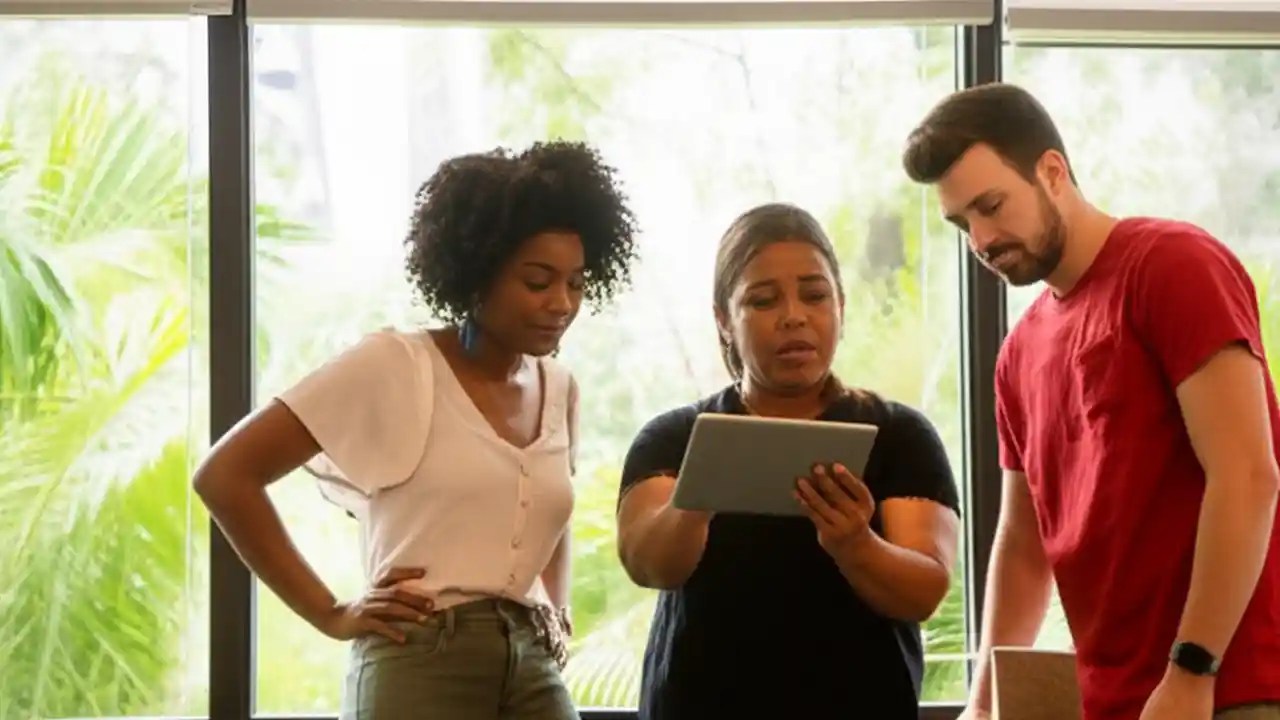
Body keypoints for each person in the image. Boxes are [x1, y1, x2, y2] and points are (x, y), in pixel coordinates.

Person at [193, 140, 639, 720]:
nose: (562, 303)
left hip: (530, 659)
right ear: (476, 278)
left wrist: (554, 606)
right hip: (420, 654)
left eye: (576, 283)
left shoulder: (560, 388)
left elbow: (548, 508)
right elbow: (226, 476)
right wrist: (329, 612)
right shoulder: (396, 365)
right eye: (537, 281)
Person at [902, 82, 1280, 720]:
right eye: (963, 222)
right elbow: (1023, 546)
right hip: (1116, 700)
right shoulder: (1018, 355)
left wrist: (1191, 671)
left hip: (1227, 688)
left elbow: (1247, 474)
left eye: (992, 206)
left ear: (1053, 172)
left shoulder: (1171, 266)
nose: (982, 239)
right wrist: (982, 704)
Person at [614, 202, 961, 719]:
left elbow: (924, 592)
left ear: (840, 305)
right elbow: (648, 565)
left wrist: (856, 545)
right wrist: (699, 496)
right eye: (763, 300)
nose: (794, 315)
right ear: (724, 320)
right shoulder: (674, 437)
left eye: (815, 295)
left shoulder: (897, 435)